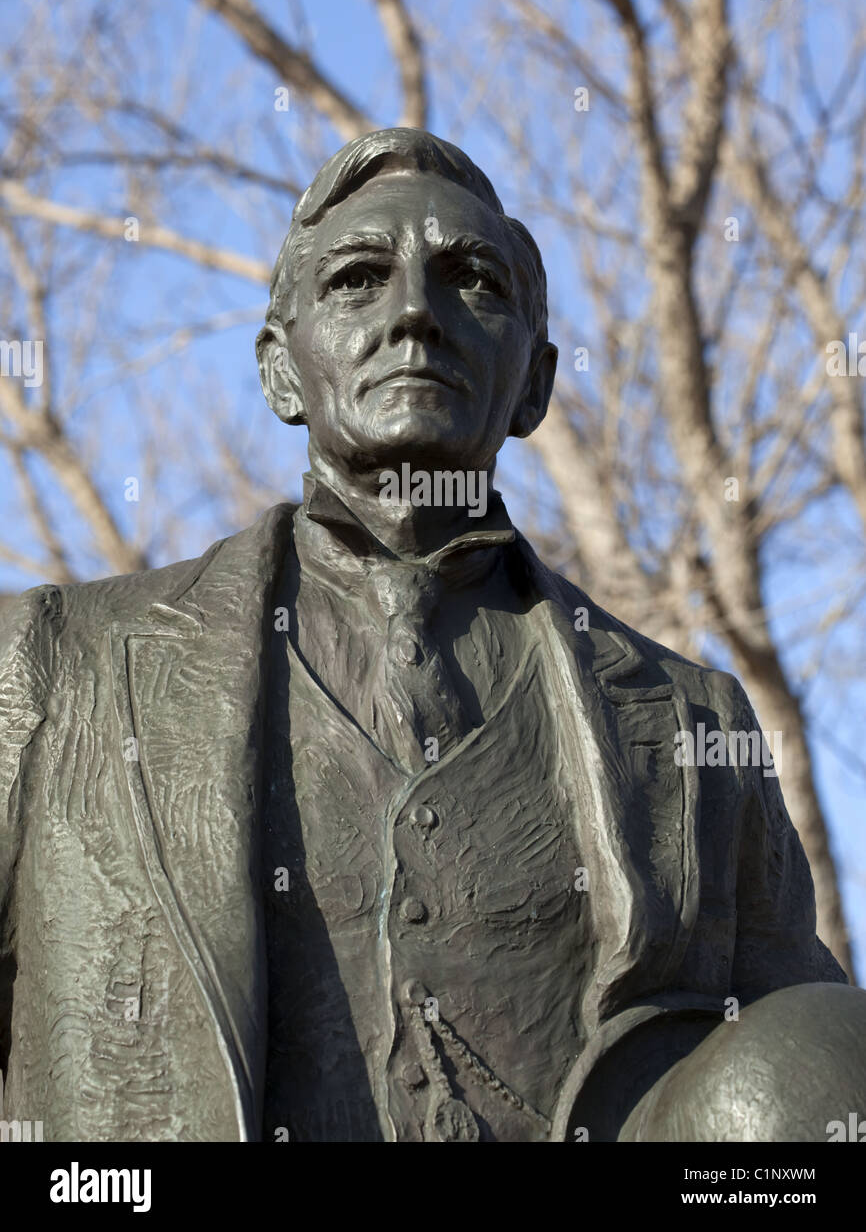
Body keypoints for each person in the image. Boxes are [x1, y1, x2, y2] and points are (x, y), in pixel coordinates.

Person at [0, 127, 860, 1142]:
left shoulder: (687, 722)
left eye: (473, 283)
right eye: (360, 279)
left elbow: (810, 1083)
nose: (415, 313)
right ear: (280, 371)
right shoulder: (57, 664)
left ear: (535, 382)